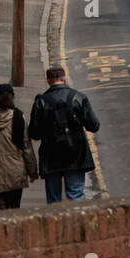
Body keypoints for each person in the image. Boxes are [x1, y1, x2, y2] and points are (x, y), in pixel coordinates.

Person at [28, 65, 100, 204]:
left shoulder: (41, 101)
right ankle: (77, 224)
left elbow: (34, 133)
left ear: (48, 80)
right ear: (64, 78)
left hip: (51, 155)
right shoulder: (78, 97)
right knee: (76, 196)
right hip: (75, 154)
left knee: (54, 201)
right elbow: (94, 125)